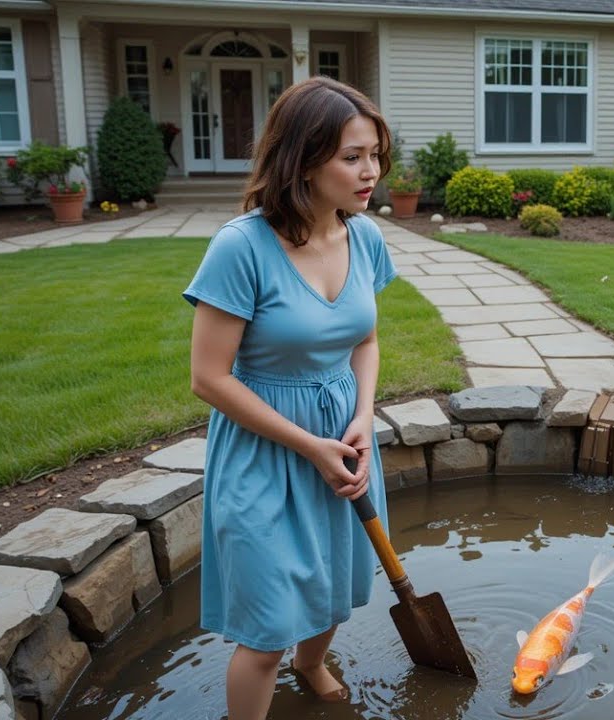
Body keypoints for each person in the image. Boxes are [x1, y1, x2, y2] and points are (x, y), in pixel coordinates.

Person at [183, 76, 397, 718]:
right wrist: (309, 445)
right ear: (302, 160)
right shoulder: (240, 247)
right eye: (352, 157)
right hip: (269, 449)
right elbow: (209, 378)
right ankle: (282, 667)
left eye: (376, 155)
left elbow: (365, 339)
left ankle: (313, 663)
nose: (371, 173)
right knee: (266, 632)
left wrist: (362, 416)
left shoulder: (365, 237)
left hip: (344, 440)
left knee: (332, 583)